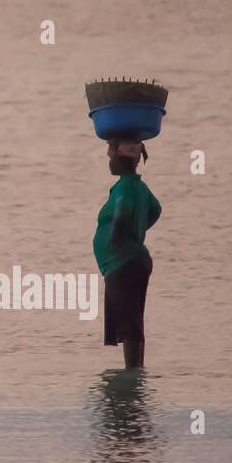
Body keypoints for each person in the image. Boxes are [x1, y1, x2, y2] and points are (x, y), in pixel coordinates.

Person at [93, 138, 160, 368]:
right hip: (132, 260)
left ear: (121, 160)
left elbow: (122, 210)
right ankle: (136, 373)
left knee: (130, 325)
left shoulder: (125, 187)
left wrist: (117, 236)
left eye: (112, 154)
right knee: (133, 320)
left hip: (123, 263)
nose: (109, 158)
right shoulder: (137, 186)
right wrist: (137, 230)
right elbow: (155, 210)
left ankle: (133, 375)